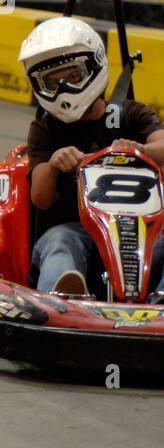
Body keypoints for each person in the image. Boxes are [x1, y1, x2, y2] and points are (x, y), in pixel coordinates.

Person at [19, 16, 164, 295]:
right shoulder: (45, 130)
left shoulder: (131, 115)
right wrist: (54, 165)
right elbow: (39, 196)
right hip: (76, 230)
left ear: (92, 66)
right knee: (60, 242)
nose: (63, 90)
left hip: (142, 230)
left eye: (71, 76)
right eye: (52, 82)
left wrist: (141, 150)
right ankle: (62, 298)